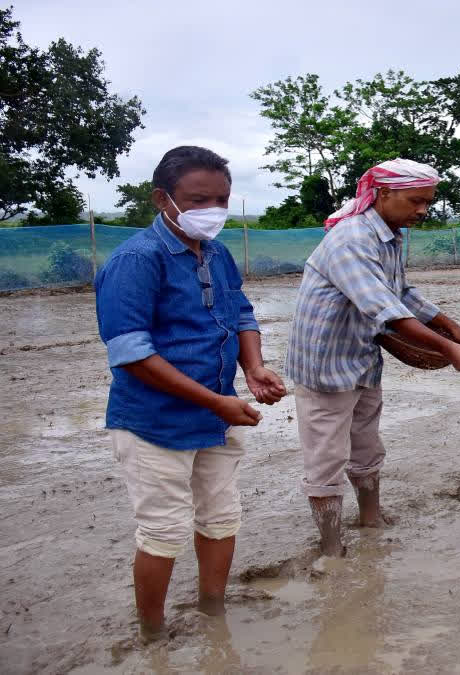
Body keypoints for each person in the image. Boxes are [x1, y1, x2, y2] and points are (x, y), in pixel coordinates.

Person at [94, 146, 287, 642]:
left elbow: (240, 313)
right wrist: (215, 400)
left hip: (217, 417)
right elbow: (132, 353)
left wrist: (255, 367)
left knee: (221, 515)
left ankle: (213, 611)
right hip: (154, 422)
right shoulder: (137, 260)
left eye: (221, 199)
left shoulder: (218, 254)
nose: (213, 211)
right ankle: (152, 636)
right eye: (199, 199)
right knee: (163, 529)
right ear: (163, 199)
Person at [286, 158, 460, 558]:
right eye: (416, 201)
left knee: (366, 442)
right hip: (325, 365)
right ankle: (331, 547)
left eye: (428, 202)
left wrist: (452, 327)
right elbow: (386, 309)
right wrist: (448, 349)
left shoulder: (391, 237)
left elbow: (403, 292)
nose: (422, 210)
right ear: (383, 194)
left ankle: (370, 518)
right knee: (327, 455)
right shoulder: (351, 240)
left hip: (362, 356)